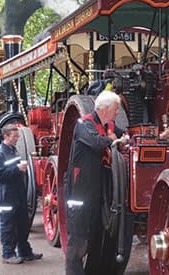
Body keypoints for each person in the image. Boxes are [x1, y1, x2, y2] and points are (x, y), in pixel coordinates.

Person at [64, 90, 128, 275]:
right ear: (106, 108)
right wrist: (114, 140)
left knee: (96, 236)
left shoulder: (108, 125)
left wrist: (123, 138)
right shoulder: (83, 123)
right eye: (116, 109)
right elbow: (95, 142)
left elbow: (123, 135)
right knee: (79, 238)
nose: (117, 113)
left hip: (98, 191)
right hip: (80, 192)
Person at [0, 122, 42, 265]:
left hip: (18, 193)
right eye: (14, 136)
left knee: (22, 224)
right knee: (8, 226)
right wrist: (17, 169)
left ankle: (25, 252)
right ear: (6, 136)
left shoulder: (13, 150)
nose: (17, 139)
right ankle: (8, 254)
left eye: (18, 136)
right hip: (6, 195)